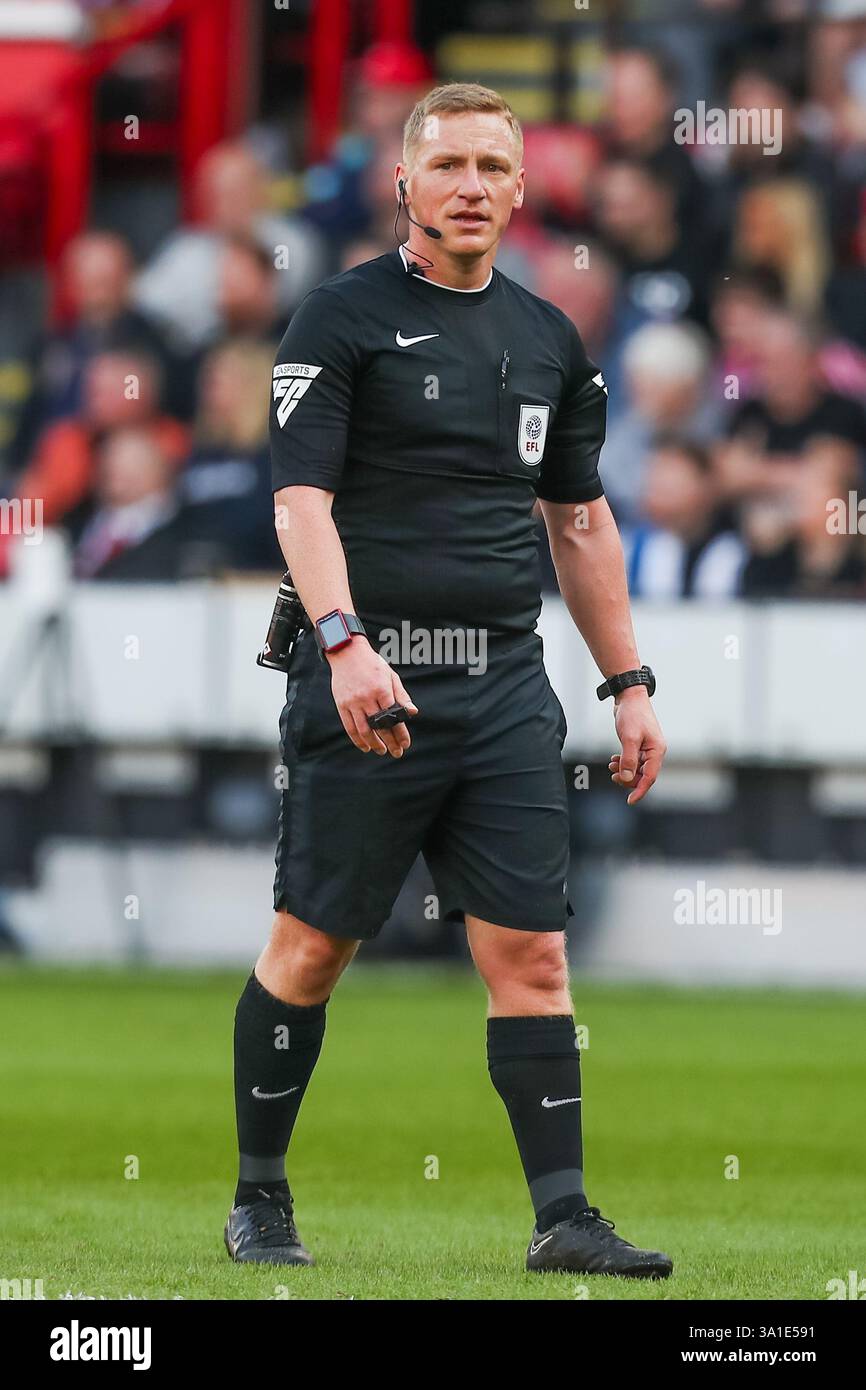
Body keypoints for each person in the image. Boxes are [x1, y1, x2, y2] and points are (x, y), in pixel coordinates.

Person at [225, 83, 672, 1280]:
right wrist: (342, 639)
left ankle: (564, 1217)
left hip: (505, 688)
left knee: (530, 955)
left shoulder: (547, 338)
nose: (470, 185)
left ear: (522, 190)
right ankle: (259, 1195)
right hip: (368, 680)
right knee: (313, 945)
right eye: (448, 165)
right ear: (405, 185)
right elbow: (298, 501)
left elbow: (578, 523)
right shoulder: (339, 318)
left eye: (492, 165)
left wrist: (625, 679)